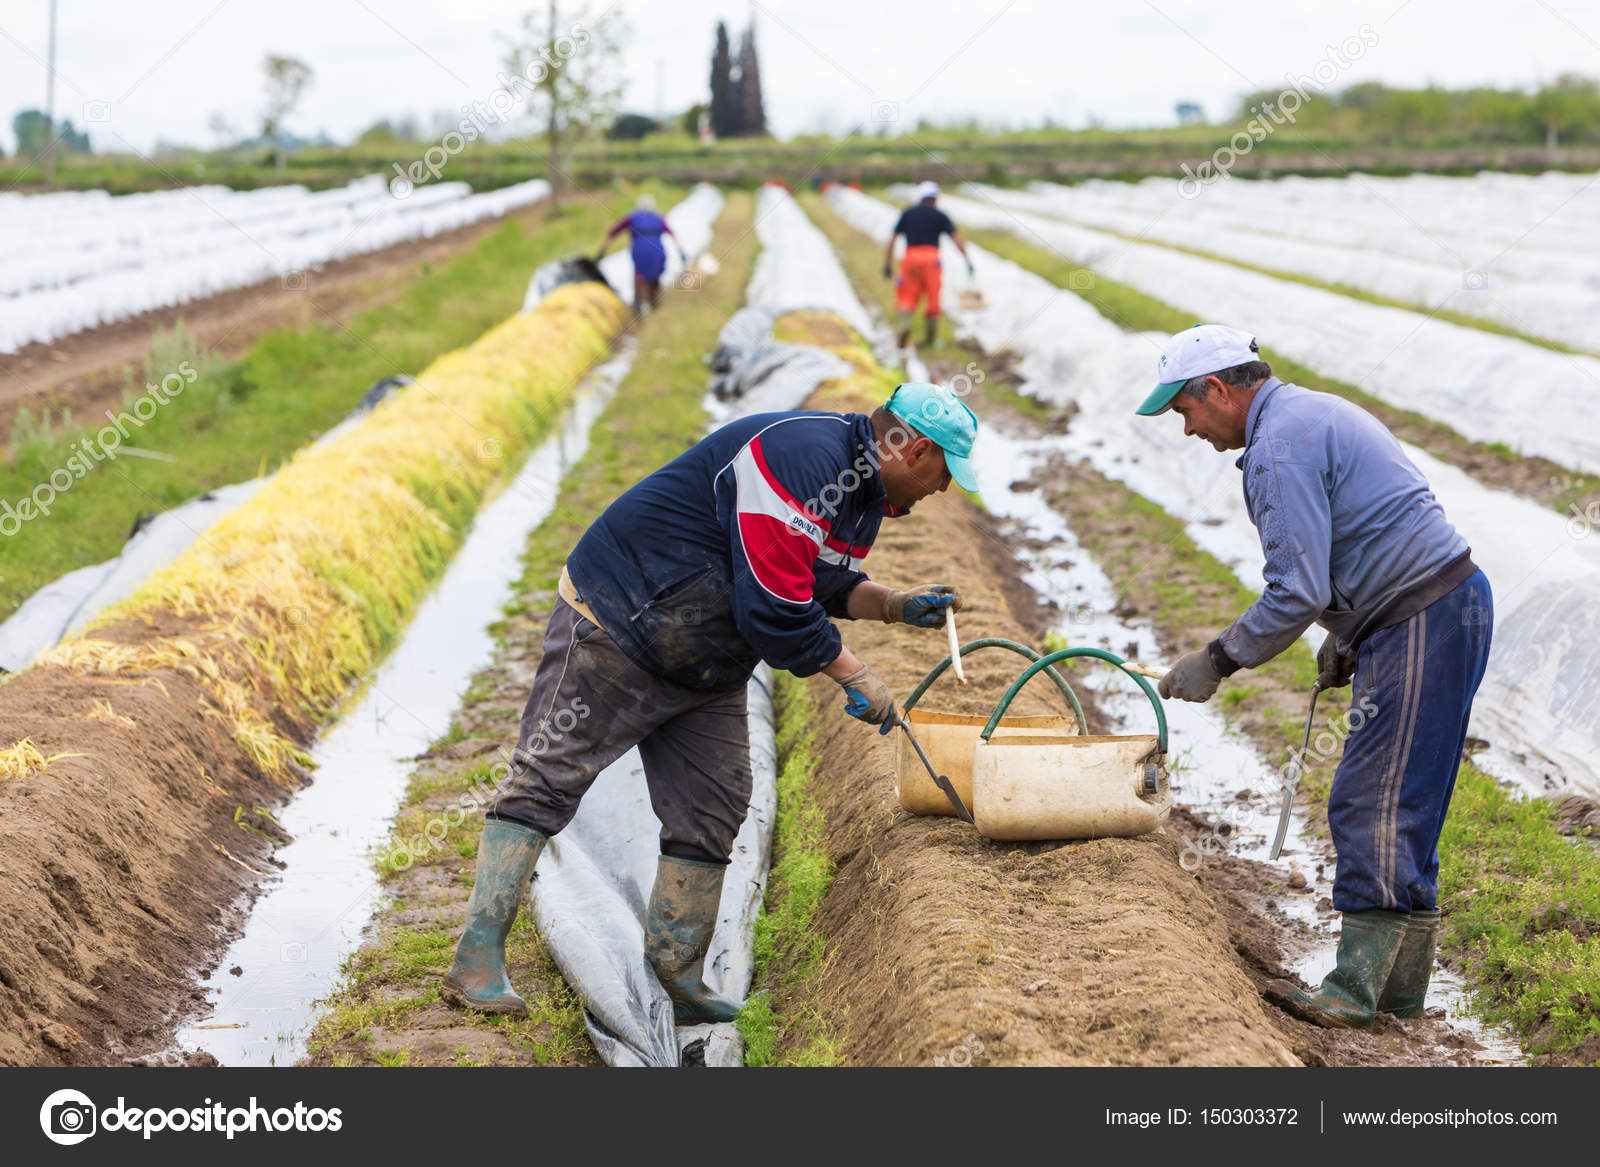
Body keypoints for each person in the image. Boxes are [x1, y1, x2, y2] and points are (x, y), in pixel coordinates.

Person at [443, 382, 981, 1023]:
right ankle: (476, 960)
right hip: (623, 621)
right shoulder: (800, 460)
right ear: (917, 450)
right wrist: (855, 674)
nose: (943, 490)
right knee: (549, 778)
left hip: (705, 657)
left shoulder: (863, 497)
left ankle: (679, 972)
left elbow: (821, 582)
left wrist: (890, 603)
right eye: (946, 474)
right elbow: (779, 608)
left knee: (716, 803)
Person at [1136, 324, 1492, 1029]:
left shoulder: (1277, 446)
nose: (1186, 429)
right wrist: (1350, 630)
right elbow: (1362, 534)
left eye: (1184, 410)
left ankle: (1354, 991)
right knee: (1406, 794)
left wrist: (1218, 658)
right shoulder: (1306, 413)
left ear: (1216, 388)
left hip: (1421, 614)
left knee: (1372, 797)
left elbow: (1294, 589)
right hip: (1436, 606)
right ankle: (1399, 993)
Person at [883, 180, 975, 350]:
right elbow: (956, 238)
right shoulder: (939, 215)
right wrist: (967, 260)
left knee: (907, 296)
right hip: (932, 260)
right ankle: (931, 339)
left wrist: (887, 262)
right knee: (933, 297)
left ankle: (905, 325)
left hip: (911, 258)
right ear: (935, 198)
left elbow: (892, 238)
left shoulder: (908, 213)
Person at [596, 193, 685, 316]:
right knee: (655, 275)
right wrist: (681, 252)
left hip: (639, 250)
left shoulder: (632, 217)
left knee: (639, 276)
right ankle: (654, 303)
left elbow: (612, 233)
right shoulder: (658, 218)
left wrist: (602, 251)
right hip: (657, 251)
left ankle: (637, 306)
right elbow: (672, 235)